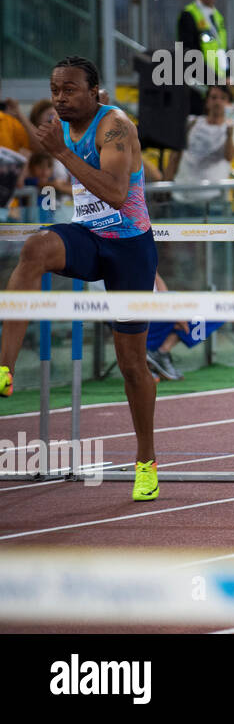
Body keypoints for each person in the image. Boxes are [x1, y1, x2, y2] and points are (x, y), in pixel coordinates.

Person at [0, 57, 159, 502]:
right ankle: (4, 367)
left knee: (131, 364)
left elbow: (115, 192)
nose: (59, 97)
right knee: (34, 248)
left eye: (69, 89)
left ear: (95, 93)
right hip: (90, 237)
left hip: (130, 249)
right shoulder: (59, 125)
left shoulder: (115, 127)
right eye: (54, 89)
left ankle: (146, 461)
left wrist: (61, 153)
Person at [165, 83, 234, 208]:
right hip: (181, 195)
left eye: (223, 98)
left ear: (229, 104)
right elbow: (175, 155)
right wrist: (167, 184)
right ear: (207, 102)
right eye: (213, 97)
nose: (218, 102)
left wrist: (229, 134)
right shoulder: (191, 122)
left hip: (212, 199)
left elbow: (230, 157)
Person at [177, 0, 227, 115]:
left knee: (223, 127)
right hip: (199, 86)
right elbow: (190, 54)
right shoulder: (189, 15)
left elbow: (222, 48)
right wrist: (214, 81)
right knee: (200, 125)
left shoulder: (218, 17)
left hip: (217, 86)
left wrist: (228, 75)